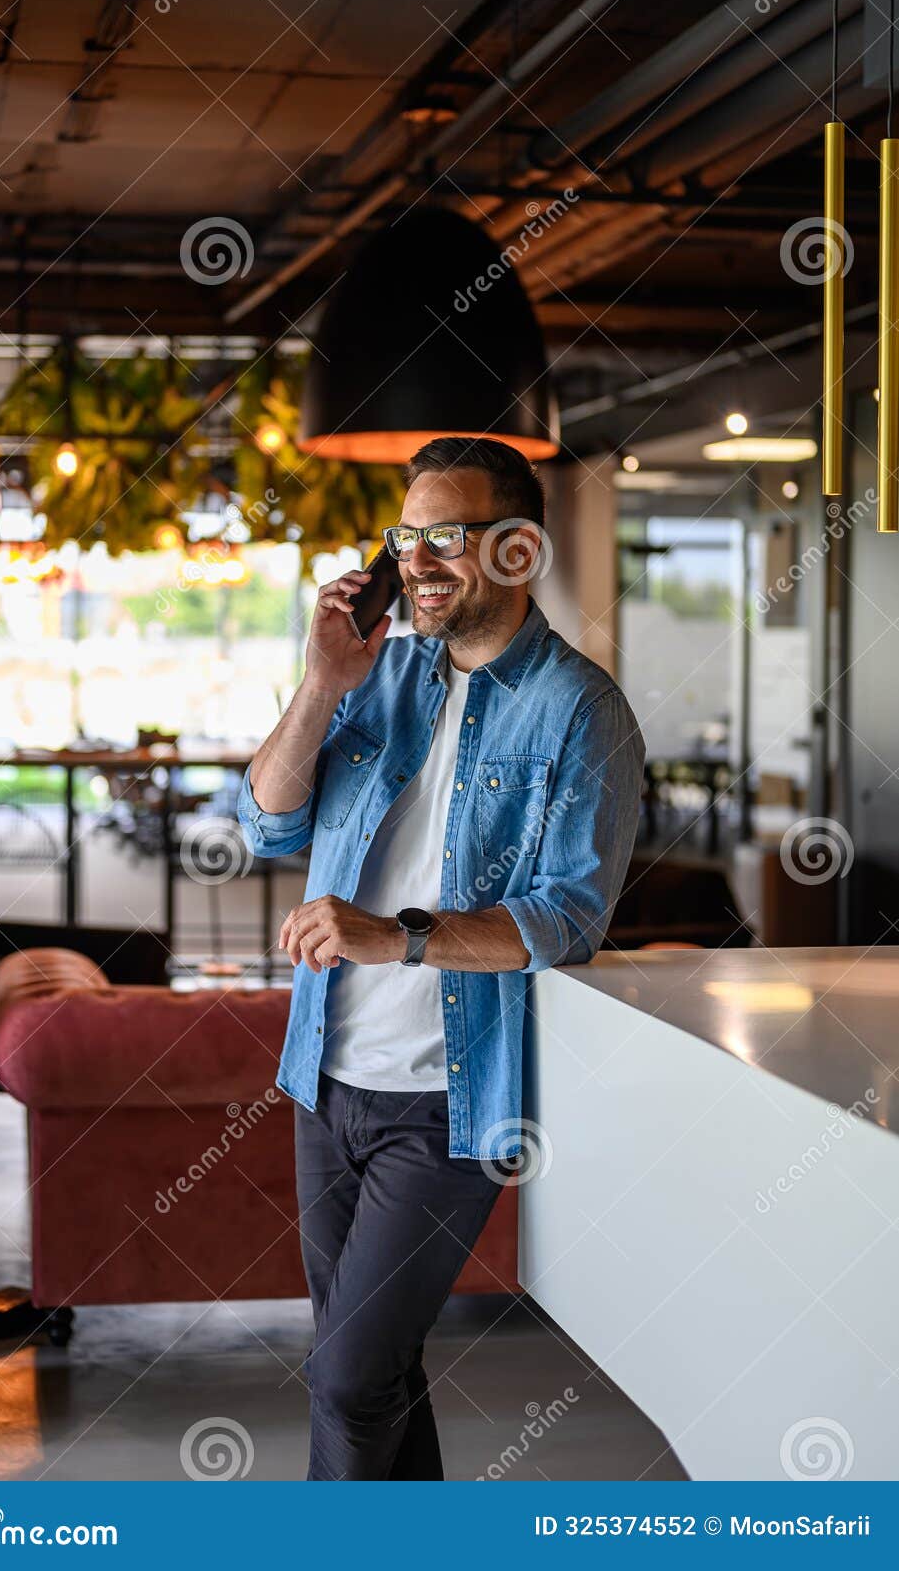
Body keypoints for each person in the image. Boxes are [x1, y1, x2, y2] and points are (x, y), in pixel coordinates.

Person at [238, 435, 644, 1480]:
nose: (416, 560)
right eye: (406, 537)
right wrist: (322, 681)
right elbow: (267, 821)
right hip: (325, 1077)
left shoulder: (580, 709)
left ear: (516, 551)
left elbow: (567, 915)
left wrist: (396, 935)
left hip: (450, 1104)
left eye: (446, 538)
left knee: (345, 1375)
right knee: (375, 1372)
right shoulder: (380, 677)